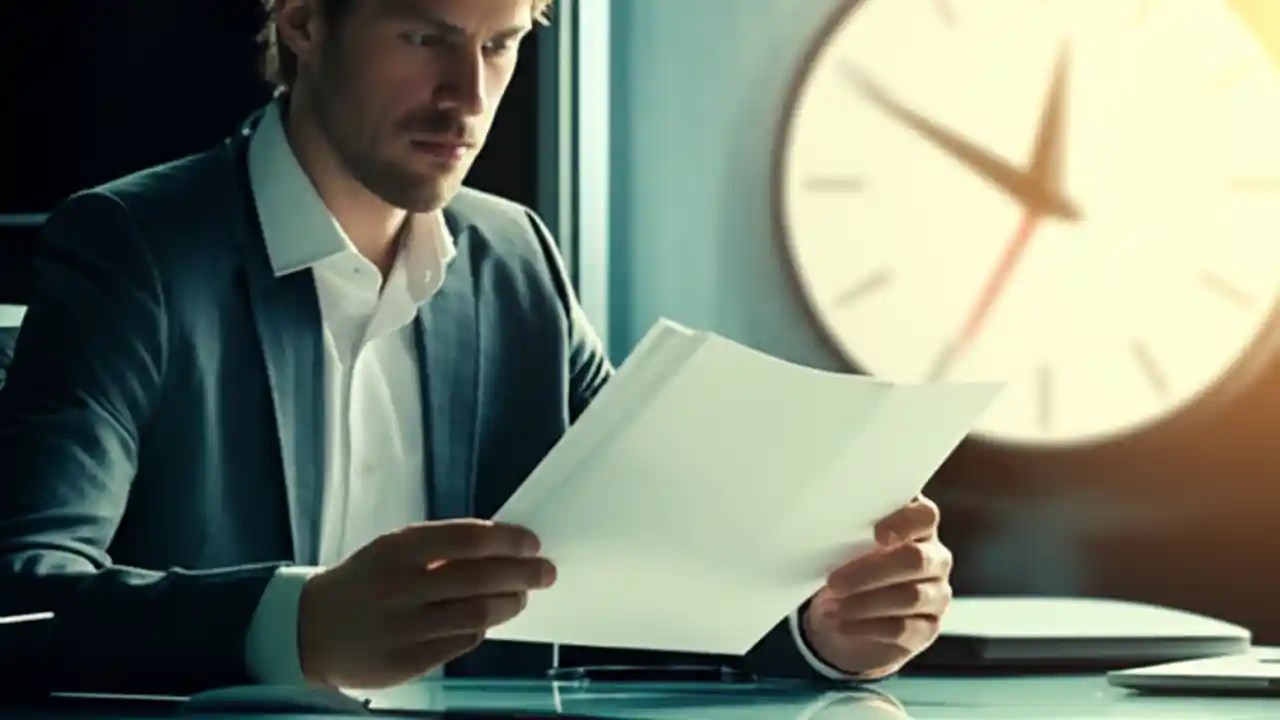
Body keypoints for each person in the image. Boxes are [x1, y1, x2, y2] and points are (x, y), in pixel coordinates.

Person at [0, 0, 954, 694]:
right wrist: (295, 624)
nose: (467, 95)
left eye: (499, 45)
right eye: (425, 37)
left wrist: (819, 624)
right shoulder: (135, 247)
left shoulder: (516, 259)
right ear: (300, 20)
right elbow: (22, 601)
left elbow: (660, 556)